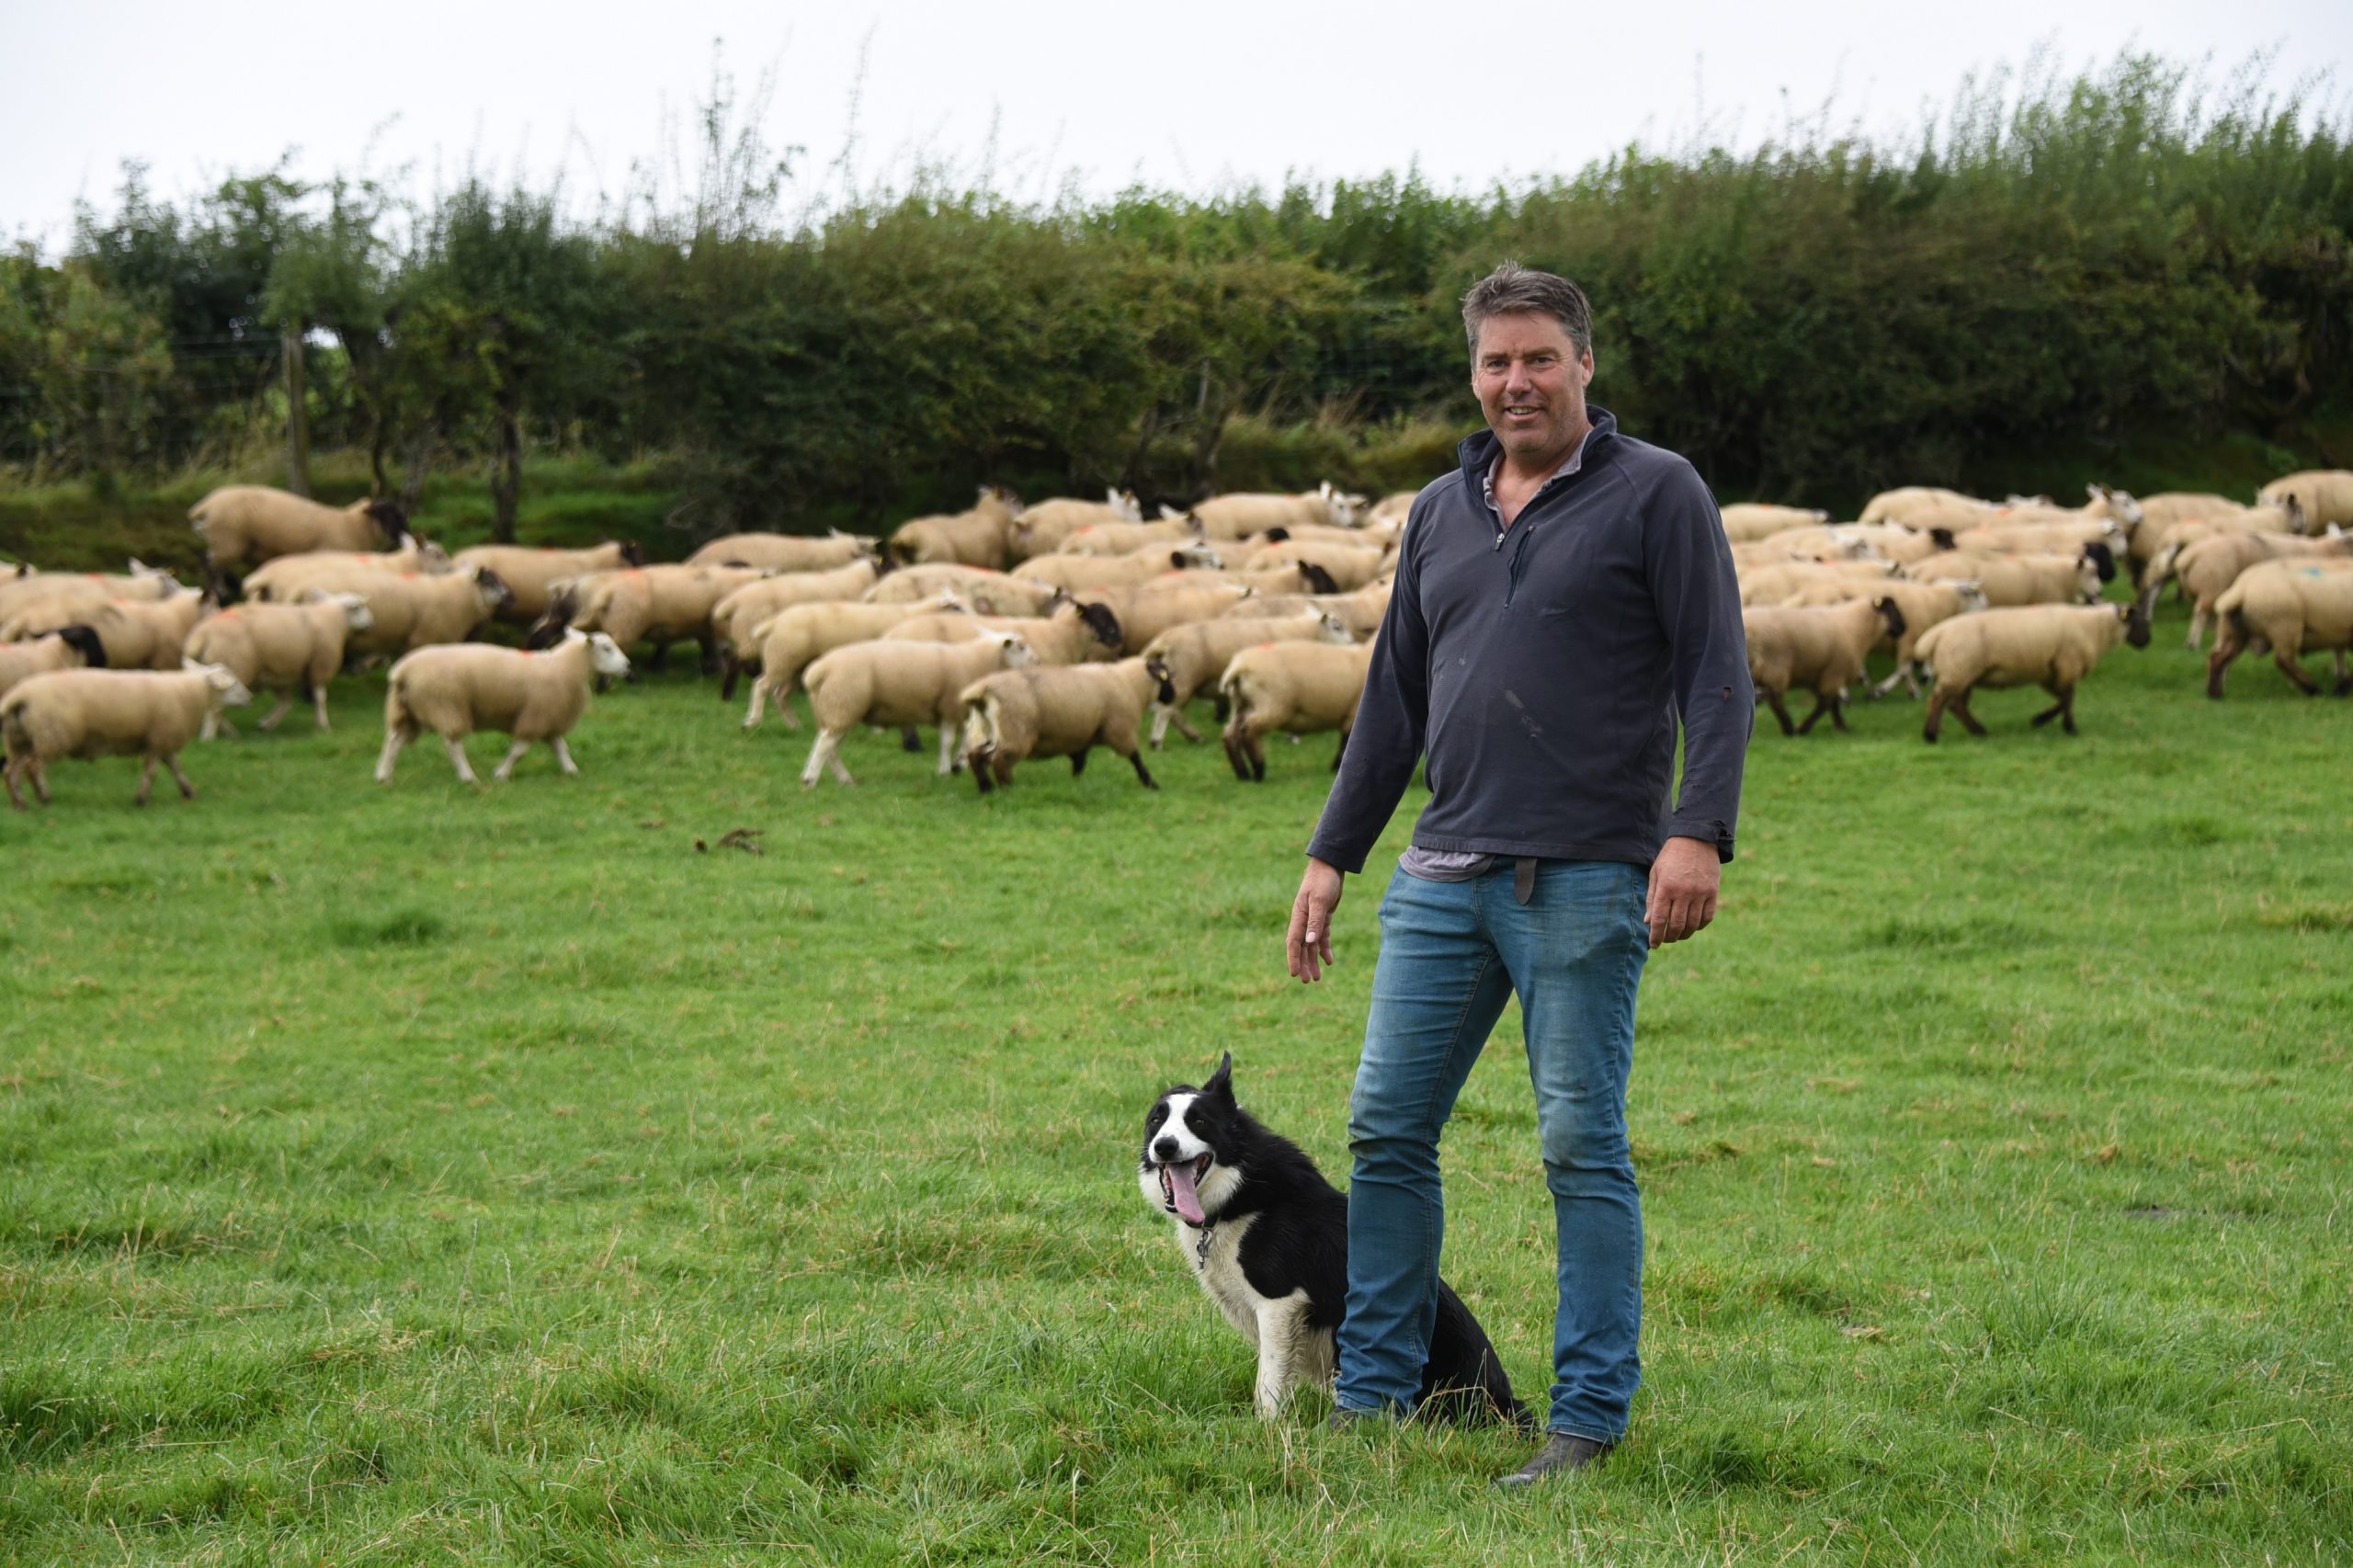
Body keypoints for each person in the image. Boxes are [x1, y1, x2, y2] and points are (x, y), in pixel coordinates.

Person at [1287, 261, 1751, 1488]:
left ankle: (1586, 1417)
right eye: (1496, 361)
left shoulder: (1658, 492)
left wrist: (1697, 827)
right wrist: (1334, 853)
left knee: (1578, 1144)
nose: (1516, 382)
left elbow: (1717, 666)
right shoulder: (1442, 511)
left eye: (1540, 357)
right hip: (1443, 872)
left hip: (1588, 879)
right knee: (1387, 1125)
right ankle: (1380, 1389)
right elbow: (1392, 697)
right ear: (1474, 372)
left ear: (1585, 363)